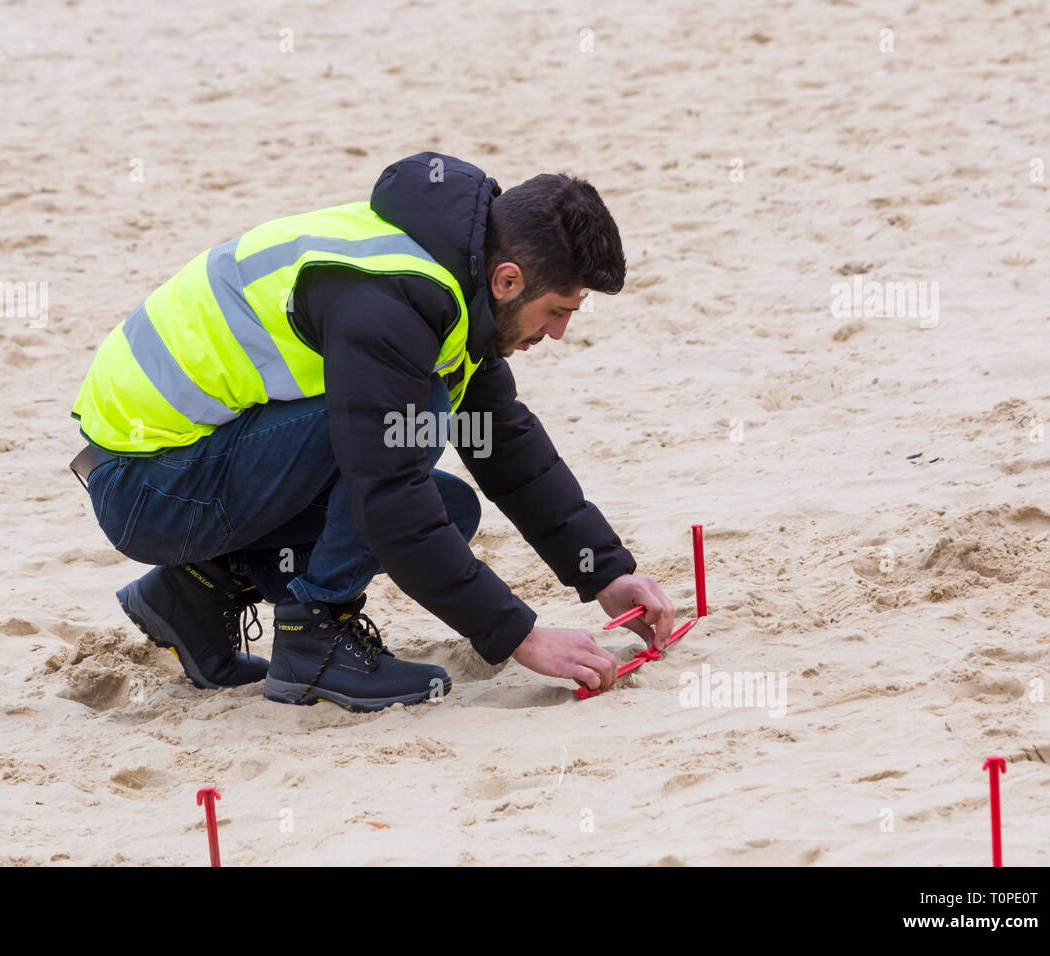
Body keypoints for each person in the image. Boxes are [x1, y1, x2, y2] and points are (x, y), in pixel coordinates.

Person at [68, 152, 675, 711]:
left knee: (449, 506)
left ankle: (196, 594)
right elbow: (386, 494)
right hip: (150, 484)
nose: (560, 333)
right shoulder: (389, 299)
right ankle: (315, 637)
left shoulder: (451, 275)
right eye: (559, 311)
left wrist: (605, 572)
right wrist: (520, 634)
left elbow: (502, 441)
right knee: (415, 421)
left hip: (182, 466)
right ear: (508, 280)